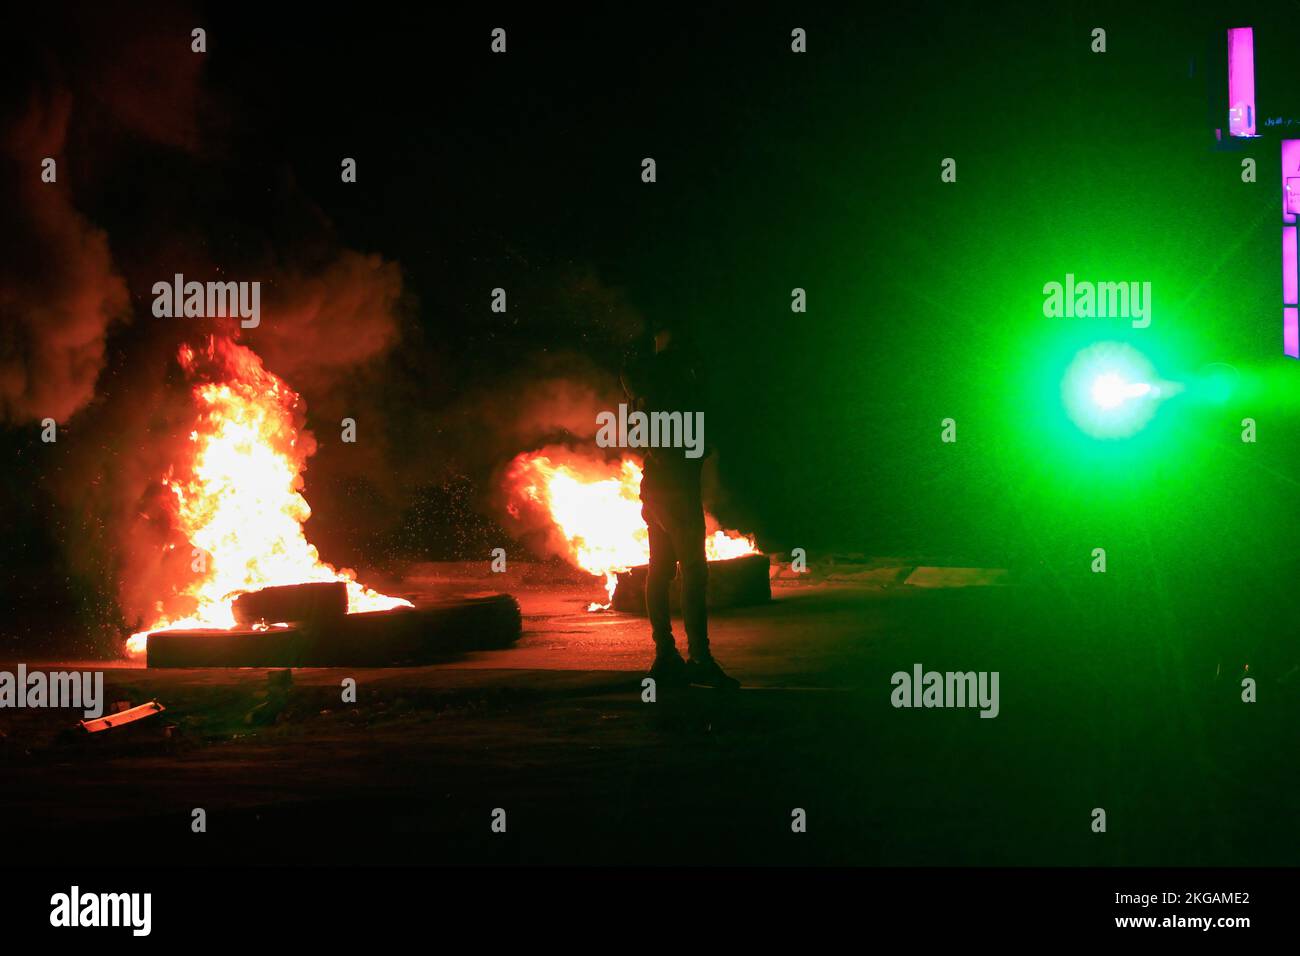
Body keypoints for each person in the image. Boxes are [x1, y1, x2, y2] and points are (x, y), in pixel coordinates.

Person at [620, 318, 740, 690]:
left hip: (654, 488)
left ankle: (665, 655)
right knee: (693, 571)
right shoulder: (678, 382)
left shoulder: (644, 387)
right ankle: (699, 658)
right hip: (676, 489)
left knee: (660, 569)